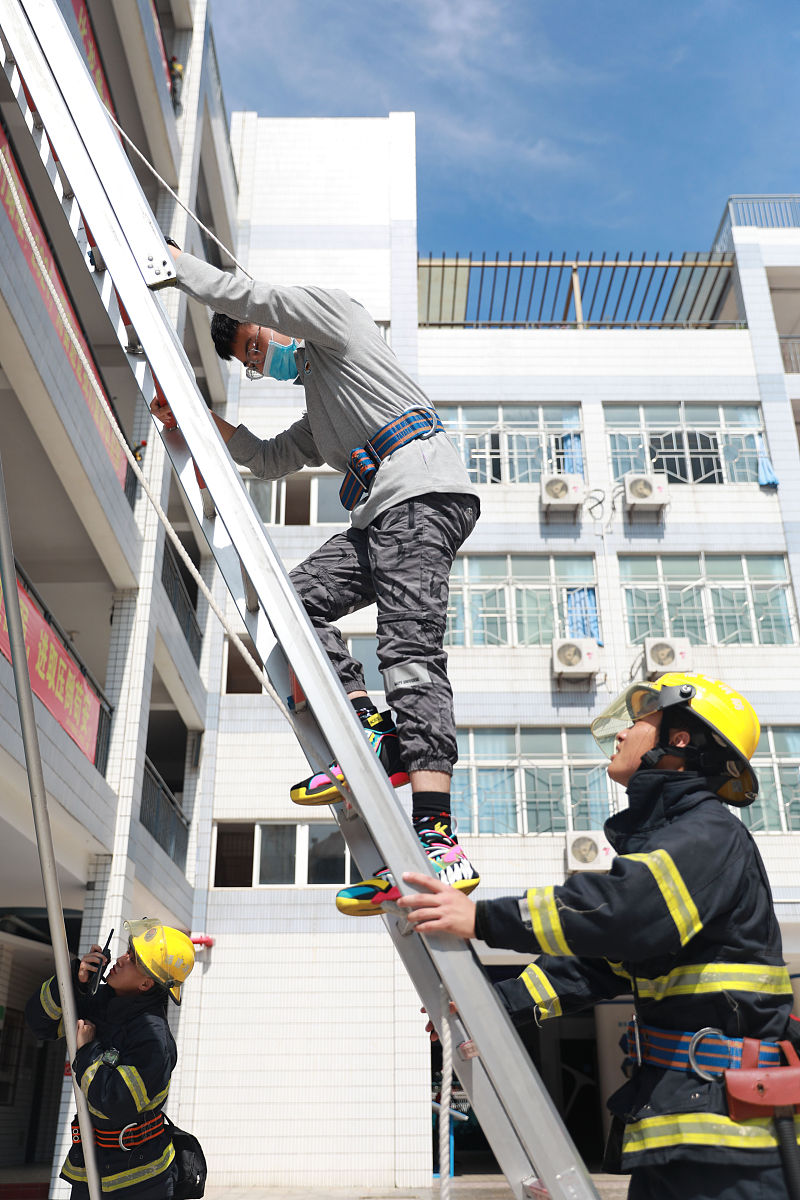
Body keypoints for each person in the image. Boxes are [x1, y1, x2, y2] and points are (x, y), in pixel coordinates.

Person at [151, 243, 481, 915]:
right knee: (294, 602)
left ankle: (439, 837)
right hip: (380, 517)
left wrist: (173, 265)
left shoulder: (336, 321)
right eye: (249, 361)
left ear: (276, 326)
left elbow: (253, 295)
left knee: (409, 651)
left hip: (420, 496)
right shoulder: (320, 409)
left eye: (255, 345)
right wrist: (194, 421)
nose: (259, 360)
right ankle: (371, 727)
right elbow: (271, 458)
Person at [398, 673, 800, 1200]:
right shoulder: (677, 837)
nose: (622, 733)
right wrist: (498, 1002)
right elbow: (602, 962)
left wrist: (482, 919)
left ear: (678, 740)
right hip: (690, 1122)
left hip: (728, 1136)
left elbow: (623, 912)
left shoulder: (709, 834)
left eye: (639, 722)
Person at [25, 919, 195, 1199]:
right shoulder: (102, 1001)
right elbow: (39, 1024)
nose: (121, 959)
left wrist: (88, 1051)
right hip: (90, 1169)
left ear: (146, 983)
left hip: (140, 1181)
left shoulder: (153, 1039)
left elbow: (115, 1102)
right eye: (128, 950)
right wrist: (75, 982)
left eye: (133, 959)